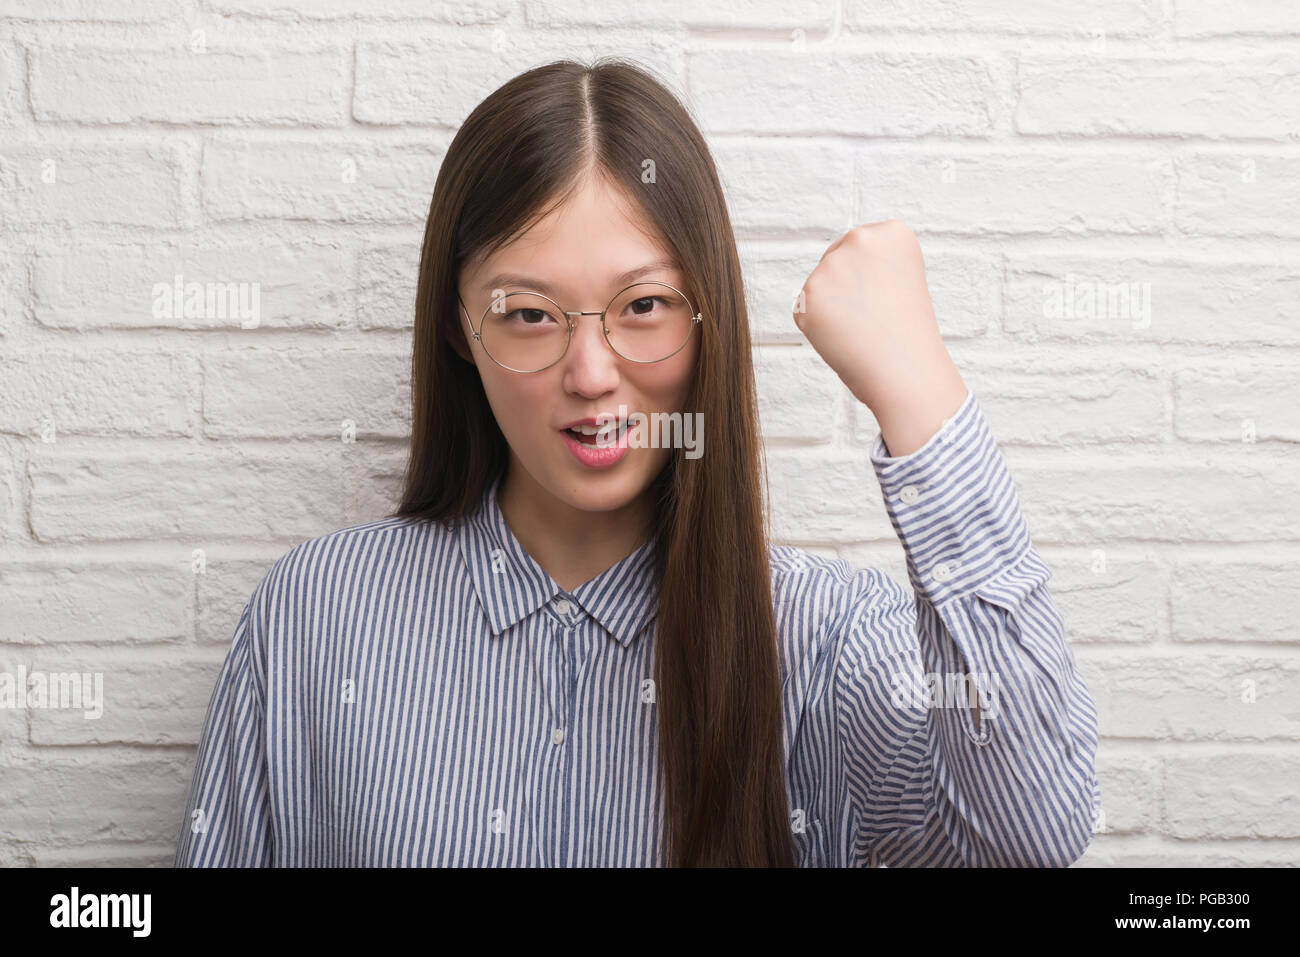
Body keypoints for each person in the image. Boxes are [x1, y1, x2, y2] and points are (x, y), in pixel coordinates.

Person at [173, 57, 1100, 868]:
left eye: (645, 306)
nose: (590, 374)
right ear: (461, 326)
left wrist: (922, 398)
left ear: (710, 319)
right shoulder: (312, 620)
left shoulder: (827, 642)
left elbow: (1032, 830)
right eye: (530, 313)